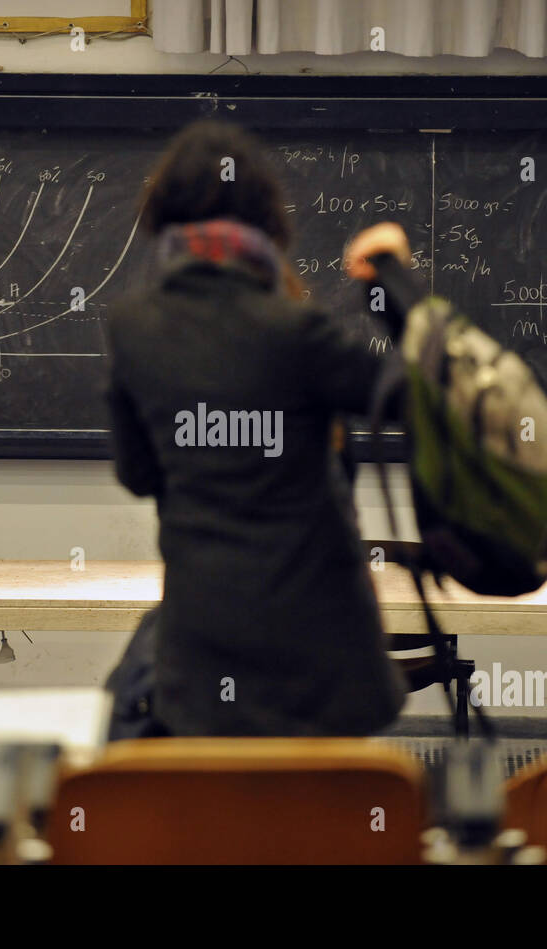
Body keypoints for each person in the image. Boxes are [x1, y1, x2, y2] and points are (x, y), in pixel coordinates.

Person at [102, 118, 415, 738]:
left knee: (218, 822)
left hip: (204, 650)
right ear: (267, 220)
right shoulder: (294, 331)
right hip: (321, 658)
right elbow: (418, 395)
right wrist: (395, 288)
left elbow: (138, 475)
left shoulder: (132, 327)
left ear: (161, 214)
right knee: (318, 825)